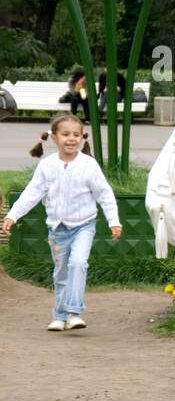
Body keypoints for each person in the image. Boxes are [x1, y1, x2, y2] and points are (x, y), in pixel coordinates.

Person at [1, 112, 121, 330]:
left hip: (84, 225)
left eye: (76, 135)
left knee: (78, 263)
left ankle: (74, 312)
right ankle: (59, 315)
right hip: (57, 229)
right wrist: (12, 215)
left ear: (82, 137)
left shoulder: (88, 165)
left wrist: (114, 220)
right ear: (54, 137)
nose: (71, 139)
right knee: (62, 272)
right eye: (65, 134)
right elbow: (32, 193)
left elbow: (104, 194)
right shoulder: (47, 166)